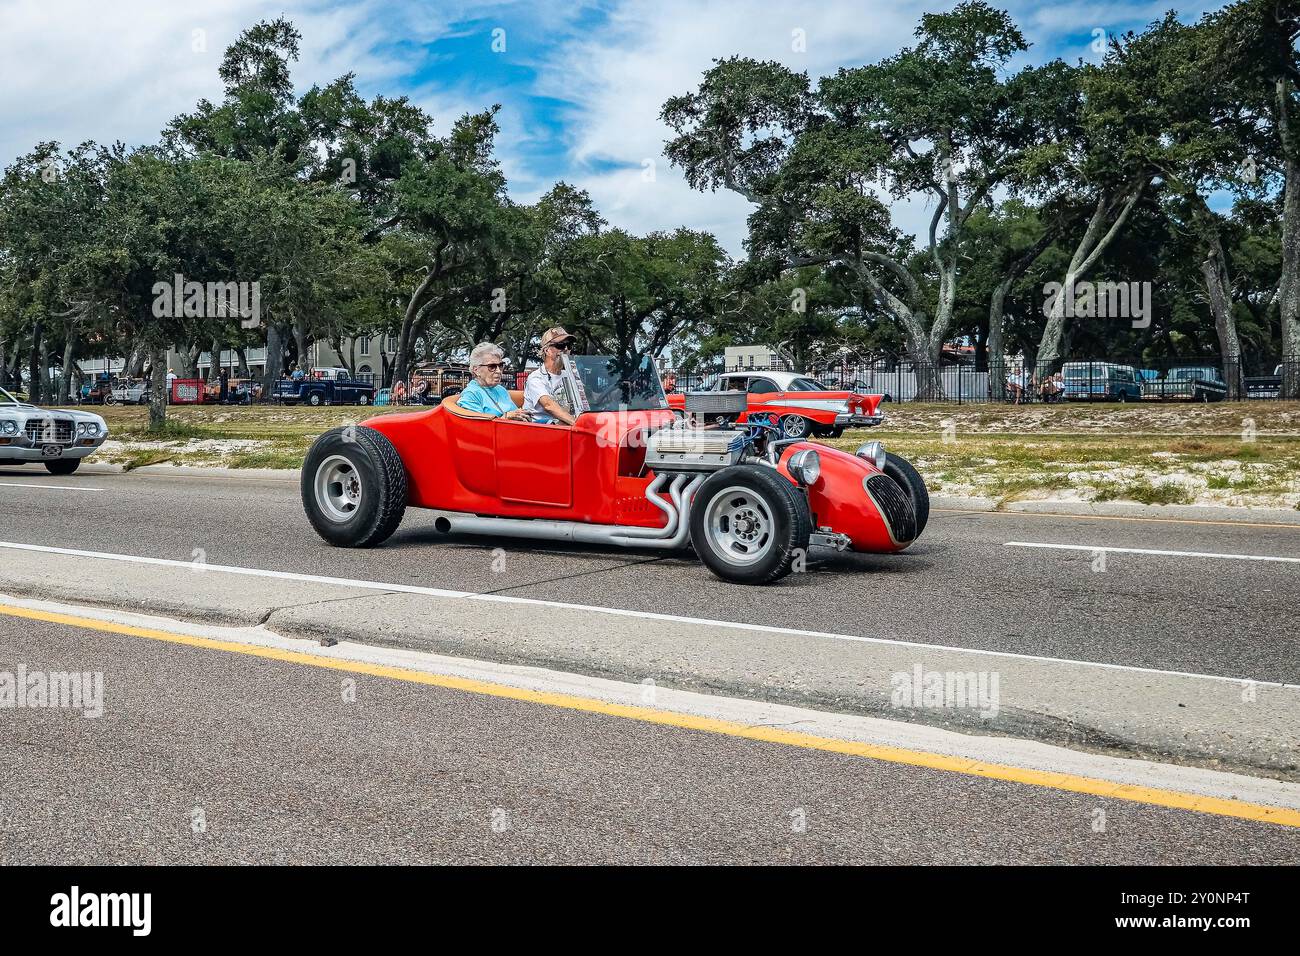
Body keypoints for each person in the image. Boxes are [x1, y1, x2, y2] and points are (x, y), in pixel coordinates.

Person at [457, 342, 531, 420]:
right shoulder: (470, 395)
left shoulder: (500, 389)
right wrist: (506, 417)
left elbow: (516, 413)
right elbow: (477, 428)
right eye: (492, 366)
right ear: (476, 370)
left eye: (501, 365)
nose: (499, 371)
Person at [523, 327, 579, 425]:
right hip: (540, 429)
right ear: (547, 350)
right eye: (560, 345)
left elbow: (587, 399)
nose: (566, 349)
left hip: (564, 427)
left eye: (569, 345)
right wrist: (578, 424)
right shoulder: (536, 377)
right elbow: (548, 405)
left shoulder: (570, 375)